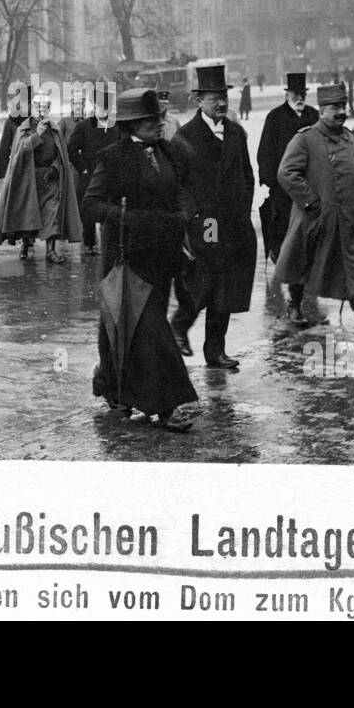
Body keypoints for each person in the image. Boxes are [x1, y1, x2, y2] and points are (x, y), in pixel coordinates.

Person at [83, 88, 198, 432]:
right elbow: (90, 205)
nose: (159, 124)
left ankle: (113, 386)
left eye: (160, 118)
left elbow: (184, 191)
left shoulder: (169, 153)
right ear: (133, 123)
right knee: (153, 330)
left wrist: (185, 214)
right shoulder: (114, 157)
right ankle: (169, 406)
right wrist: (126, 218)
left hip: (162, 256)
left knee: (132, 333)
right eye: (151, 120)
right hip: (127, 256)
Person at [276, 83, 354, 332]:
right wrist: (311, 202)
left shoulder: (349, 137)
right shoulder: (305, 139)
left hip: (350, 217)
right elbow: (286, 173)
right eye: (334, 107)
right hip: (315, 218)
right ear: (321, 110)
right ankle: (294, 306)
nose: (341, 112)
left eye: (343, 106)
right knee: (302, 262)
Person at [169, 60, 256, 368]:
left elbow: (247, 175)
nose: (221, 102)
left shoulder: (236, 133)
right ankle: (179, 325)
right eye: (213, 97)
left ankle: (214, 350)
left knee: (226, 286)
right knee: (203, 281)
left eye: (224, 96)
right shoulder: (185, 138)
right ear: (199, 101)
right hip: (204, 223)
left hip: (232, 222)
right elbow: (175, 186)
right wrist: (193, 217)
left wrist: (242, 208)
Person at [0, 94, 83, 264]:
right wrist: (37, 136)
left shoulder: (54, 129)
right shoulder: (24, 128)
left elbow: (60, 155)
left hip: (49, 179)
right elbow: (20, 152)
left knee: (52, 213)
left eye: (45, 108)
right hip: (28, 181)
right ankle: (26, 245)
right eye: (39, 108)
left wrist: (55, 169)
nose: (42, 112)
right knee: (29, 215)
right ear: (33, 108)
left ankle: (51, 251)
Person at [257, 72, 319, 282]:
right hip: (282, 187)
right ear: (287, 95)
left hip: (308, 187)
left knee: (309, 230)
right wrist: (270, 180)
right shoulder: (275, 118)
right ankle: (284, 267)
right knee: (282, 227)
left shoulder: (314, 116)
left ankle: (304, 273)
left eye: (302, 94)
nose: (300, 98)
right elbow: (264, 151)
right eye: (295, 94)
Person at [68, 95, 119, 256]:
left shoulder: (116, 126)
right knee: (89, 211)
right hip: (90, 175)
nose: (103, 110)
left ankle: (109, 243)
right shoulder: (84, 126)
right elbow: (72, 149)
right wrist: (82, 168)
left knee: (111, 210)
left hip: (112, 176)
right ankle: (89, 243)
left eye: (107, 107)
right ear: (94, 106)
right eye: (100, 106)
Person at [0, 91, 28, 179]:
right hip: (17, 165)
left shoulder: (35, 120)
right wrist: (4, 173)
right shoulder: (11, 121)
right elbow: (4, 148)